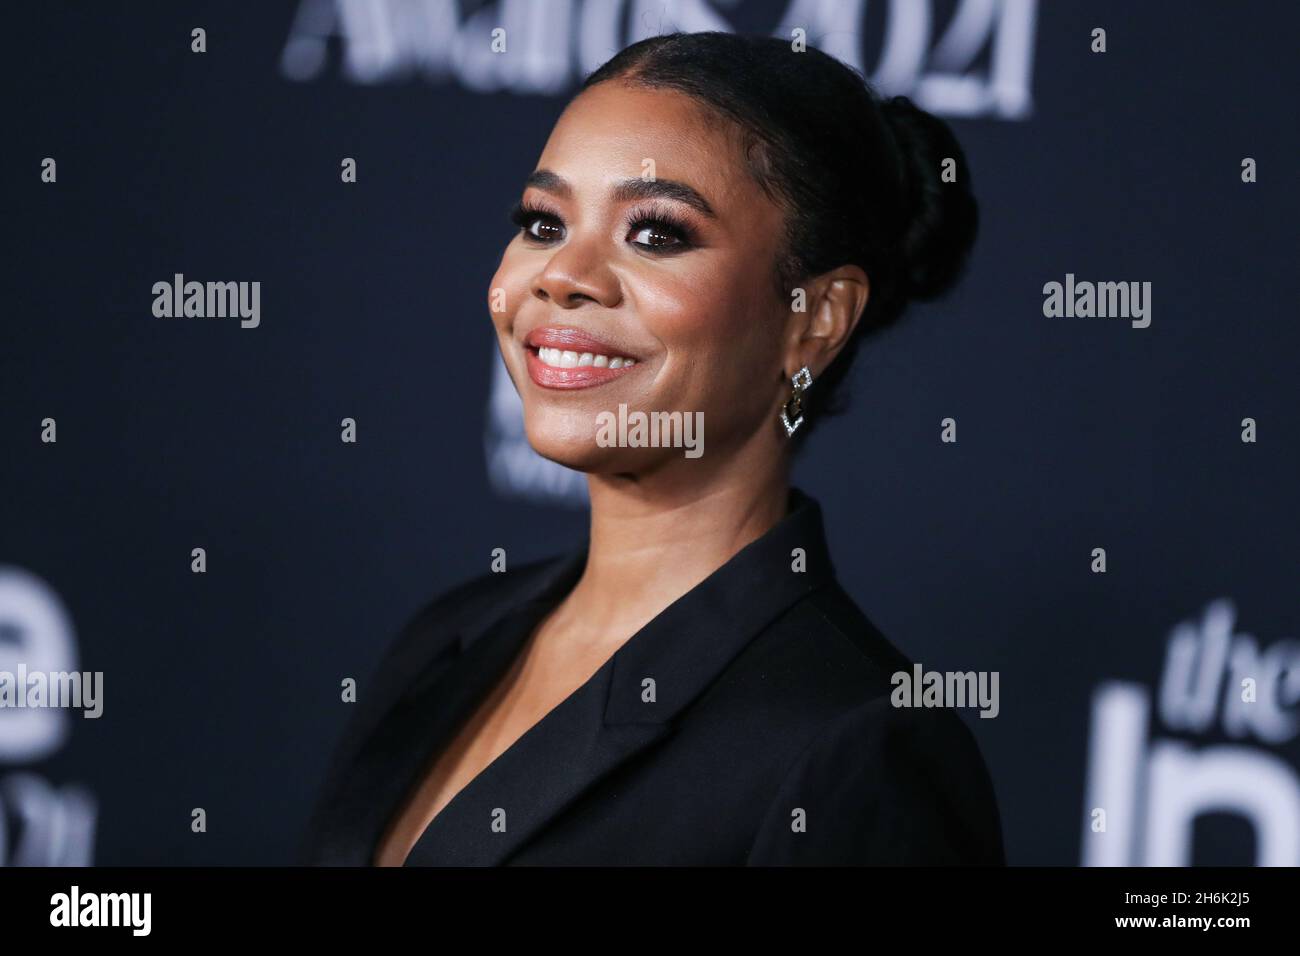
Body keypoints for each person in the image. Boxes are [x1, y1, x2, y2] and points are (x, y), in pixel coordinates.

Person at [302, 30, 1002, 866]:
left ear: (815, 319)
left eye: (657, 233)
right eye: (543, 220)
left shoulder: (860, 750)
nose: (563, 275)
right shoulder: (451, 637)